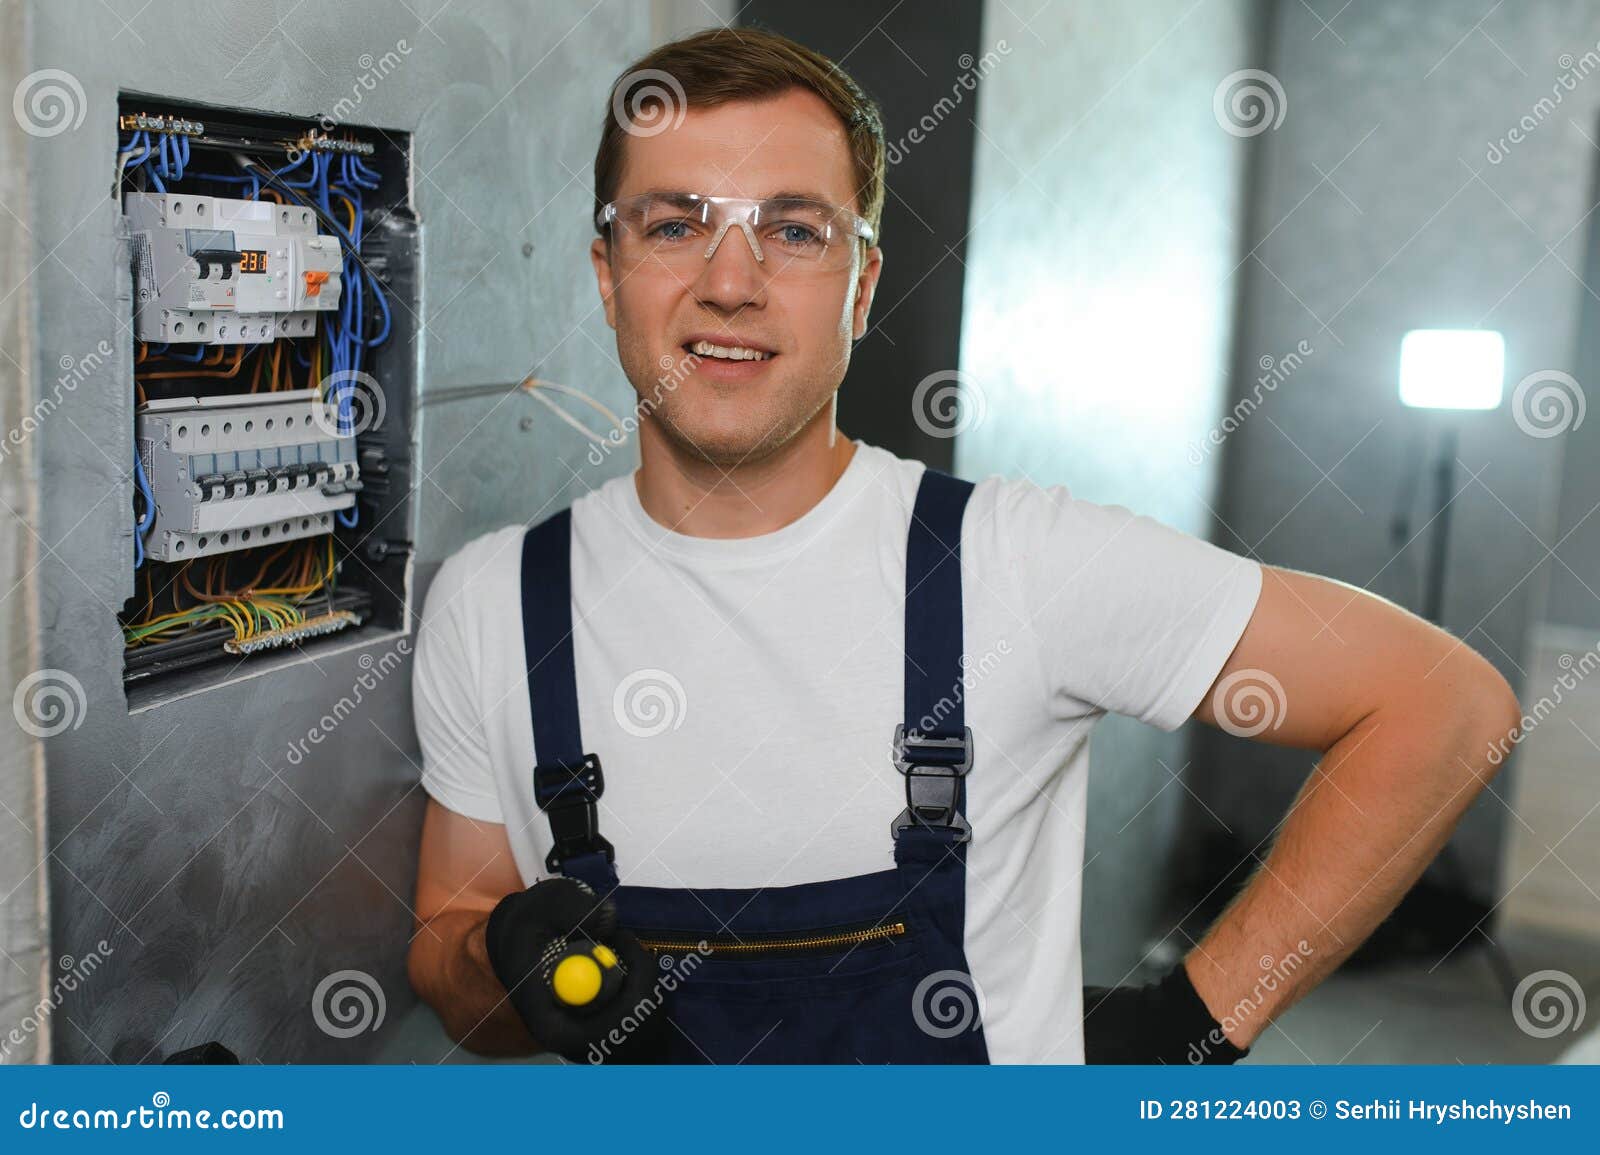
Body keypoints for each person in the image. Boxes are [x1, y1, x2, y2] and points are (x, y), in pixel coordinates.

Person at [405, 27, 1521, 1064]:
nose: (730, 282)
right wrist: (496, 965)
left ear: (862, 287)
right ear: (607, 274)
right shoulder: (492, 601)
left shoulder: (1017, 564)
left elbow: (1440, 703)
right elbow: (450, 937)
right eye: (673, 224)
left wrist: (1187, 1024)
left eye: (794, 231)